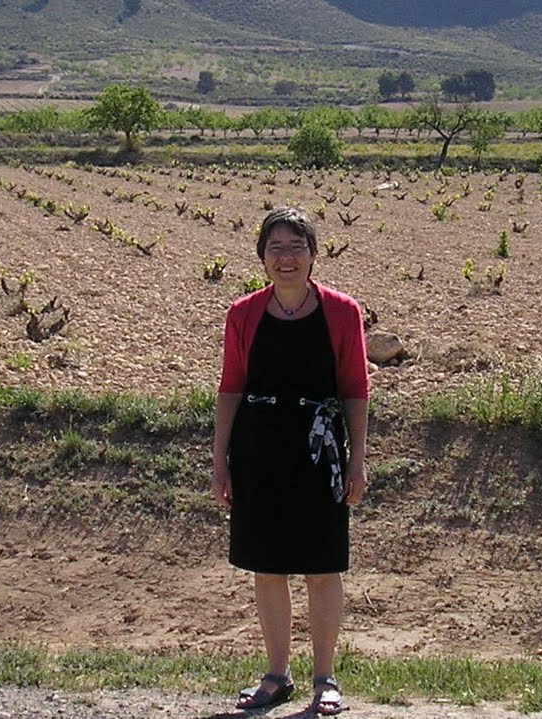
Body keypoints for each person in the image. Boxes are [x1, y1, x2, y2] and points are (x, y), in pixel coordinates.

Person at [212, 206, 369, 715]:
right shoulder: (243, 314)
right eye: (275, 248)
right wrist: (220, 461)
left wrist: (357, 460)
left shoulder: (343, 312)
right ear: (261, 258)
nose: (286, 258)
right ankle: (277, 674)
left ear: (313, 255)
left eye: (296, 247)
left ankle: (326, 677)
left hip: (321, 453)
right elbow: (231, 388)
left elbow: (354, 391)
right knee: (268, 567)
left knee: (323, 567)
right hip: (259, 453)